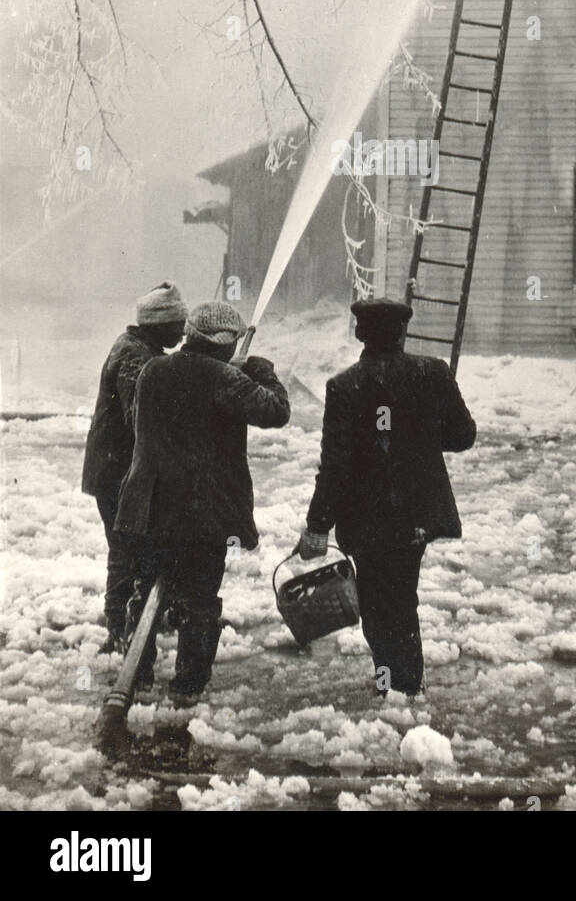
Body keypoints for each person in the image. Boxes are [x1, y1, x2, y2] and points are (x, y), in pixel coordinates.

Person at [297, 297, 476, 698]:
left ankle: (397, 686)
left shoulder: (344, 386)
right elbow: (463, 435)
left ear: (361, 334)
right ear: (402, 332)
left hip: (368, 518)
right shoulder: (433, 372)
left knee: (379, 606)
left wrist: (317, 525)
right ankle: (404, 684)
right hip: (419, 514)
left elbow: (336, 466)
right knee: (400, 598)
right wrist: (420, 440)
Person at [115, 301, 290, 705]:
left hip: (147, 506)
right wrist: (259, 369)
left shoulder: (152, 370)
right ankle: (188, 686)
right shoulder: (225, 377)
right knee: (199, 600)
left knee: (145, 591)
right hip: (202, 512)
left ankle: (137, 676)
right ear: (225, 345)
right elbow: (276, 410)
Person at [82, 281, 188, 654]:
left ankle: (135, 621)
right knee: (126, 551)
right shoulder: (133, 359)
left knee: (130, 549)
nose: (183, 331)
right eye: (178, 324)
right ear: (157, 324)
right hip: (117, 476)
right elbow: (138, 415)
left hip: (119, 471)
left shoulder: (138, 349)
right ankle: (119, 629)